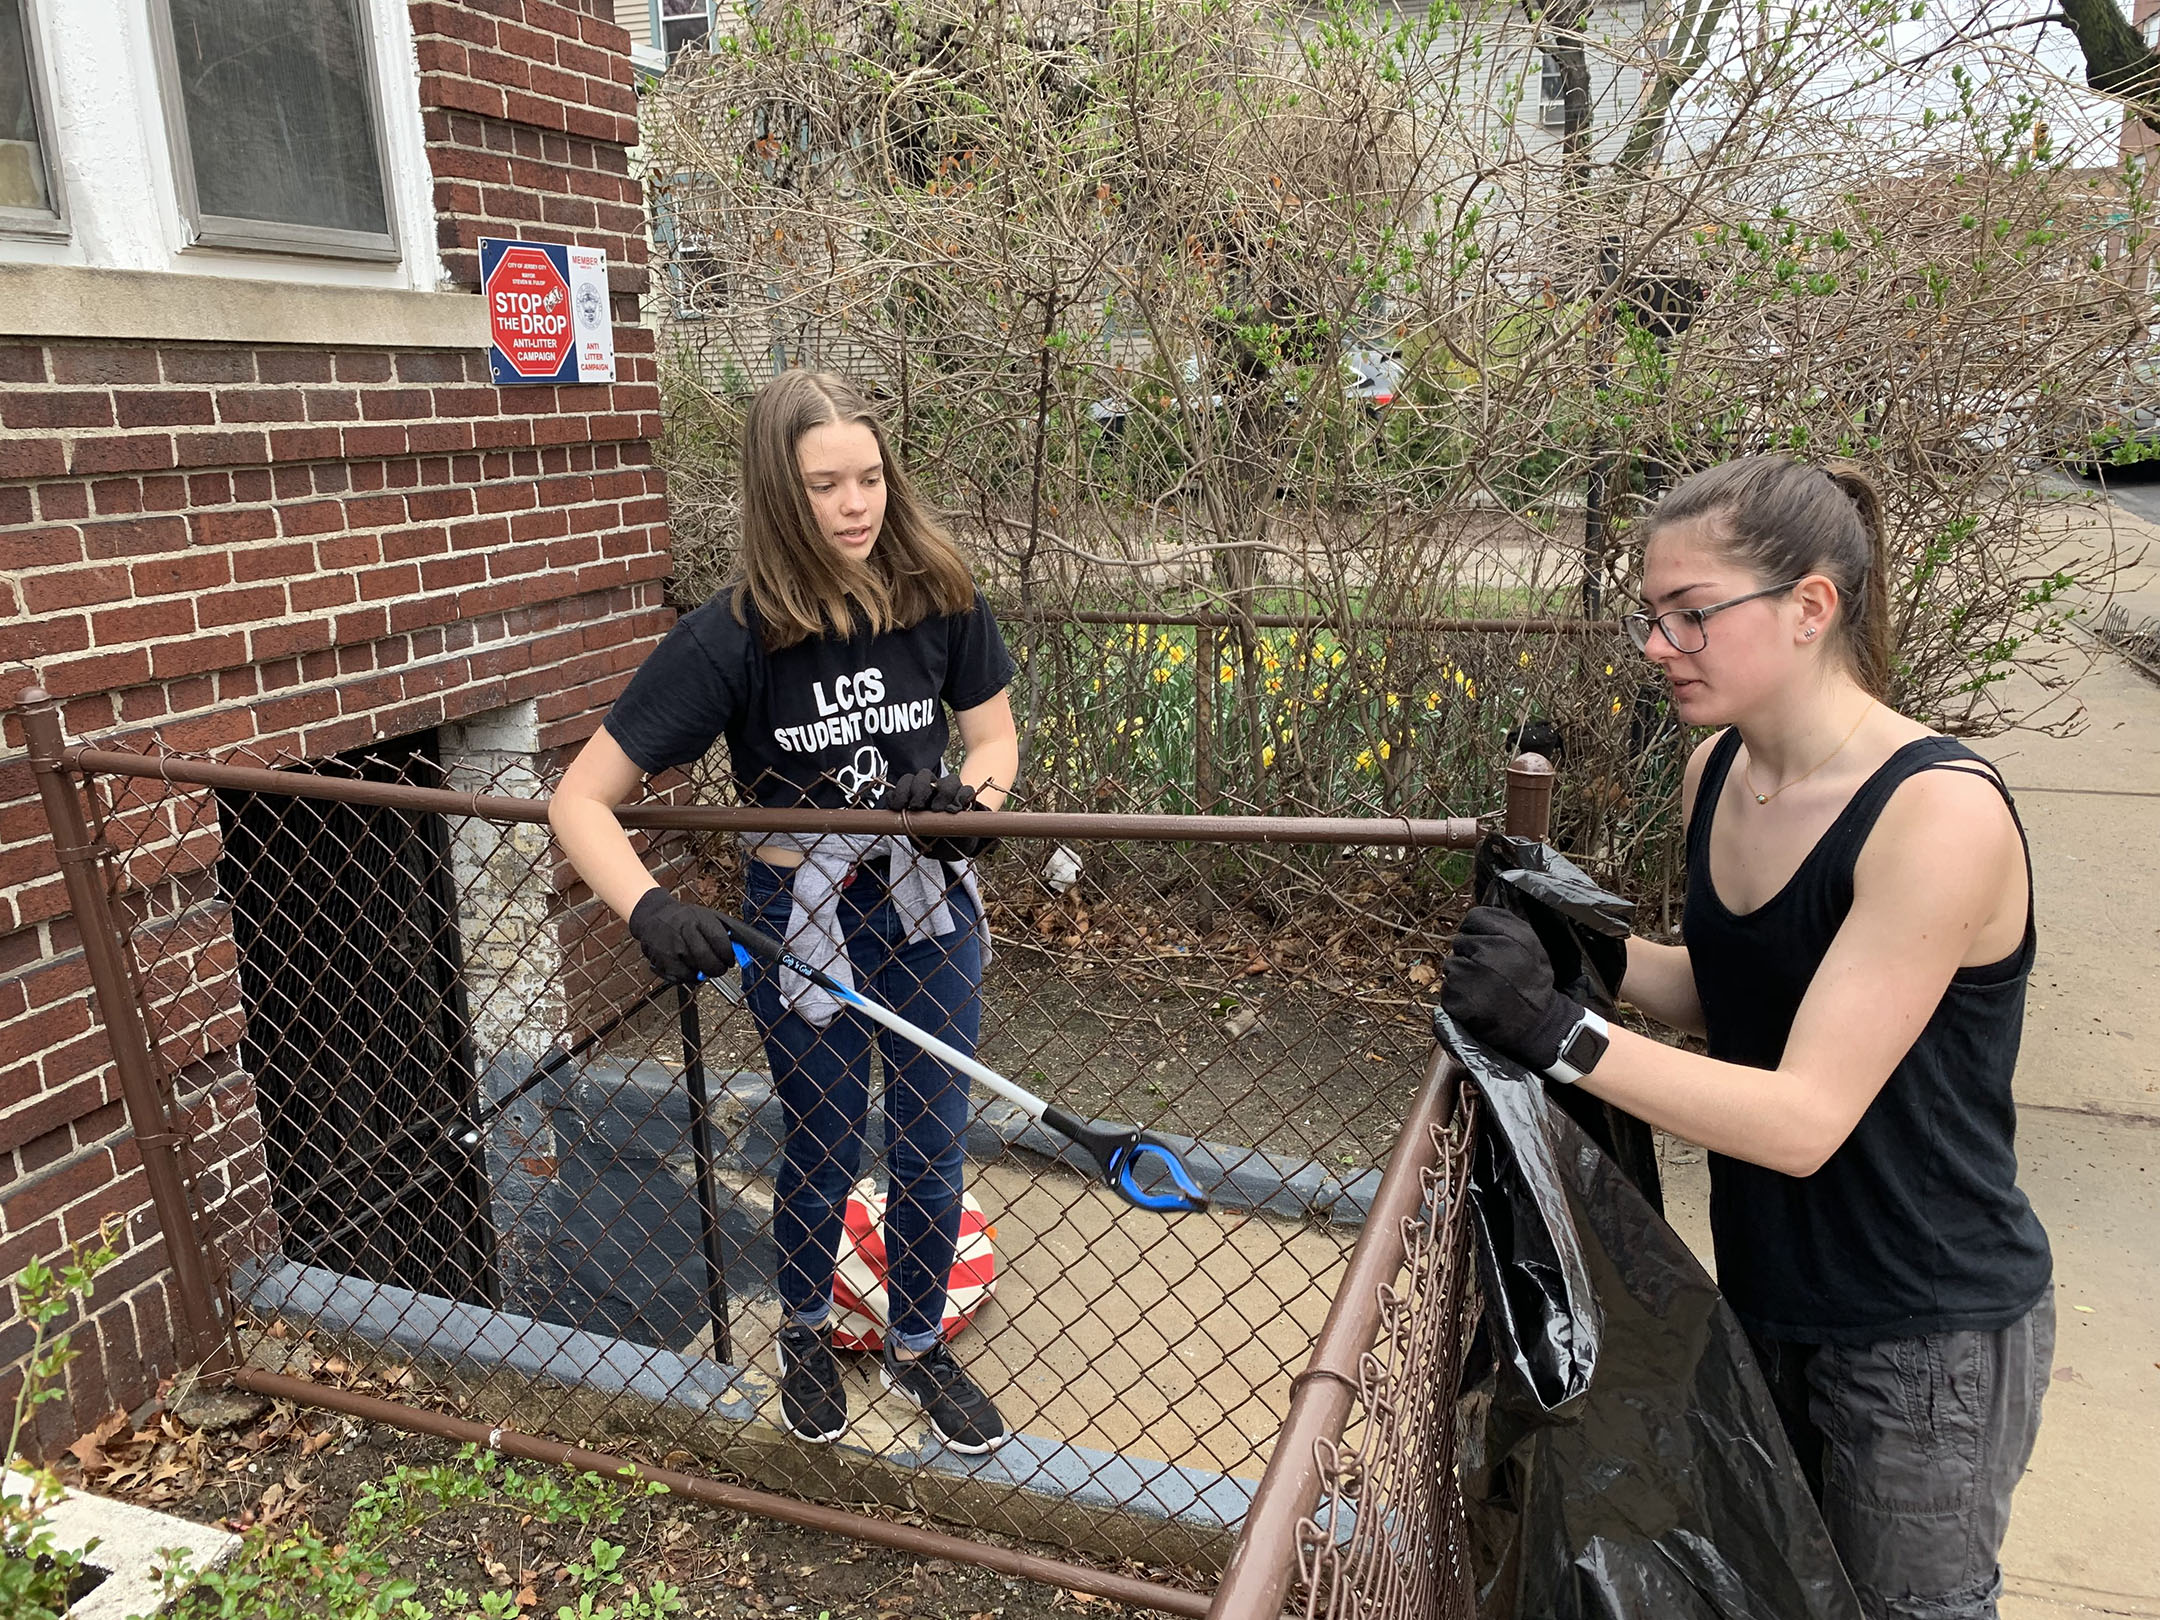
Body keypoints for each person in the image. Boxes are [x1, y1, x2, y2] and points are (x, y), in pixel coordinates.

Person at [1440, 455, 2052, 1618]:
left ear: (1810, 607)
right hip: (1767, 1290)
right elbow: (1736, 997)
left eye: (1691, 617)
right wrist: (1583, 948)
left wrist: (1556, 1029)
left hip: (1922, 1333)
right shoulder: (1718, 769)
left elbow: (1806, 1119)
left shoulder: (1937, 814)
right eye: (1650, 616)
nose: (1657, 647)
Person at [549, 368, 1019, 1455]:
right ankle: (805, 1332)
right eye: (824, 486)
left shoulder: (939, 597)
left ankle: (916, 1345)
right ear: (777, 493)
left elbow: (991, 742)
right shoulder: (730, 639)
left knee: (932, 1136)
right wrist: (649, 906)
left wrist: (966, 809)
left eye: (870, 478)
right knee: (816, 1134)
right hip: (795, 914)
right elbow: (580, 798)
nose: (857, 506)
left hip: (924, 905)